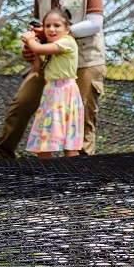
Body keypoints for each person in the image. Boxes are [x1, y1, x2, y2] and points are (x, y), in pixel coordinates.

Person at [0, 0, 105, 159]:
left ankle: (80, 174)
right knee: (22, 102)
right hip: (50, 62)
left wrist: (60, 34)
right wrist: (32, 46)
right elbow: (37, 24)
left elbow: (95, 23)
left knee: (81, 115)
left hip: (84, 59)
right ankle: (2, 158)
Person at [21, 9, 84, 158]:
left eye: (57, 25)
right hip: (50, 93)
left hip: (65, 93)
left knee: (69, 143)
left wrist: (30, 40)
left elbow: (40, 48)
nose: (52, 29)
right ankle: (47, 176)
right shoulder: (48, 46)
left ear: (67, 29)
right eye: (47, 26)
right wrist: (32, 48)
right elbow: (37, 68)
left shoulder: (67, 42)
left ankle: (75, 176)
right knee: (43, 141)